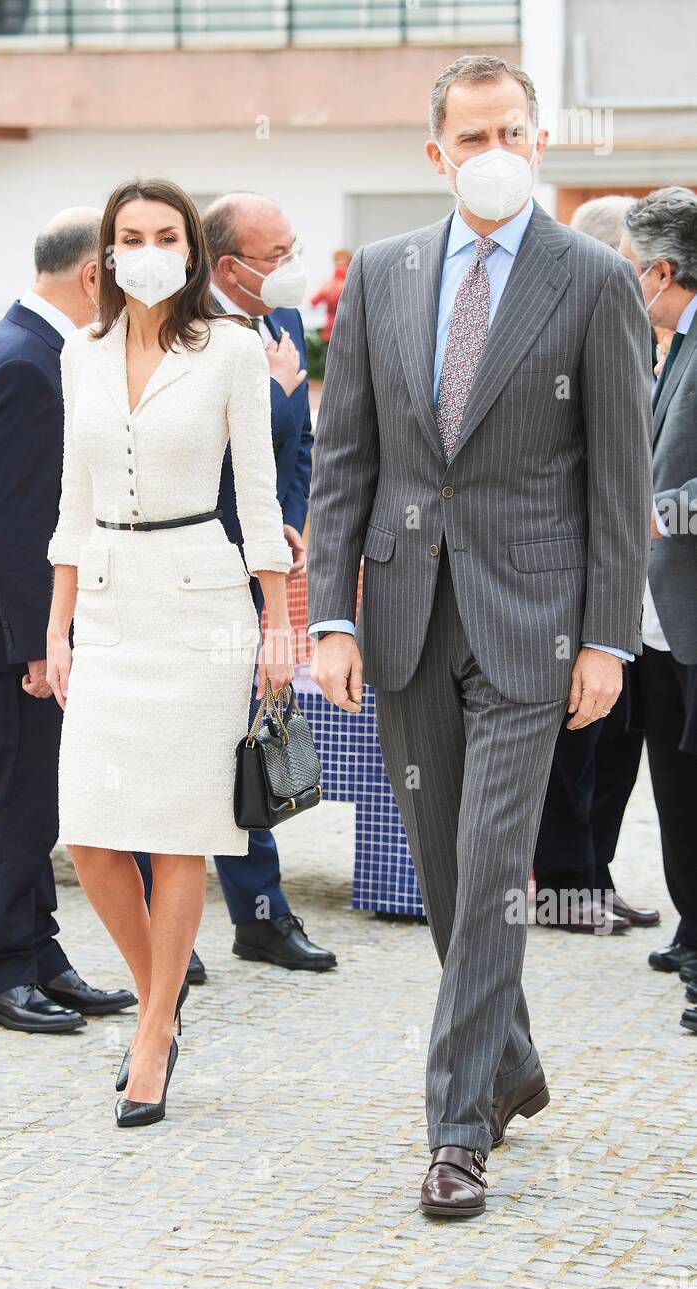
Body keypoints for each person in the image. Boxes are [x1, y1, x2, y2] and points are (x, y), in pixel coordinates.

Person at [307, 53, 652, 1215]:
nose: (492, 152)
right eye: (471, 136)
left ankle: (454, 1128)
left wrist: (607, 638)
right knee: (448, 882)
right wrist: (331, 613)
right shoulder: (384, 276)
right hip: (402, 615)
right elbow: (343, 457)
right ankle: (509, 1063)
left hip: (533, 626)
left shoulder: (594, 280)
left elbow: (618, 478)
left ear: (539, 139)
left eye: (512, 131)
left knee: (496, 869)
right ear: (435, 153)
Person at [45, 178, 295, 1128]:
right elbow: (70, 503)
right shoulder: (80, 353)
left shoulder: (231, 350)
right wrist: (57, 628)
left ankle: (154, 1033)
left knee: (180, 830)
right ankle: (164, 992)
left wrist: (276, 622)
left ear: (190, 252)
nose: (146, 248)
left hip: (202, 601)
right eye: (129, 236)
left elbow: (262, 501)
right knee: (93, 833)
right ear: (106, 254)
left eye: (164, 234)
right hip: (107, 602)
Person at [132, 192, 334, 983]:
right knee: (173, 746)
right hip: (183, 572)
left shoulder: (281, 324)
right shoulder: (174, 329)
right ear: (227, 266)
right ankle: (162, 933)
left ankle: (261, 915)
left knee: (252, 737)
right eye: (277, 256)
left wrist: (289, 526)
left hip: (260, 570)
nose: (292, 268)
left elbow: (298, 448)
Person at [0, 208, 137, 1034]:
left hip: (31, 621)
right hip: (22, 626)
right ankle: (0, 973)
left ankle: (41, 957)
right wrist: (41, 643)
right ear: (92, 274)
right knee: (20, 800)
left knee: (40, 796)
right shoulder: (28, 359)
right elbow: (15, 519)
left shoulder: (24, 346)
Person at [534, 194, 658, 932]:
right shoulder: (574, 320)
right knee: (571, 746)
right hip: (571, 572)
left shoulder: (644, 334)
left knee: (615, 744)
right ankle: (564, 886)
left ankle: (595, 873)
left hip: (628, 580)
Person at [618, 187, 697, 1031]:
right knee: (673, 786)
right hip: (663, 615)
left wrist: (662, 511)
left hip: (688, 600)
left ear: (663, 270)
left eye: (636, 273)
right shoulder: (671, 342)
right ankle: (692, 926)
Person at [311, 249, 352, 354]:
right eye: (338, 263)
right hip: (331, 331)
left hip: (348, 330)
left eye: (344, 263)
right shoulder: (328, 285)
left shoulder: (352, 283)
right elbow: (313, 302)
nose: (340, 267)